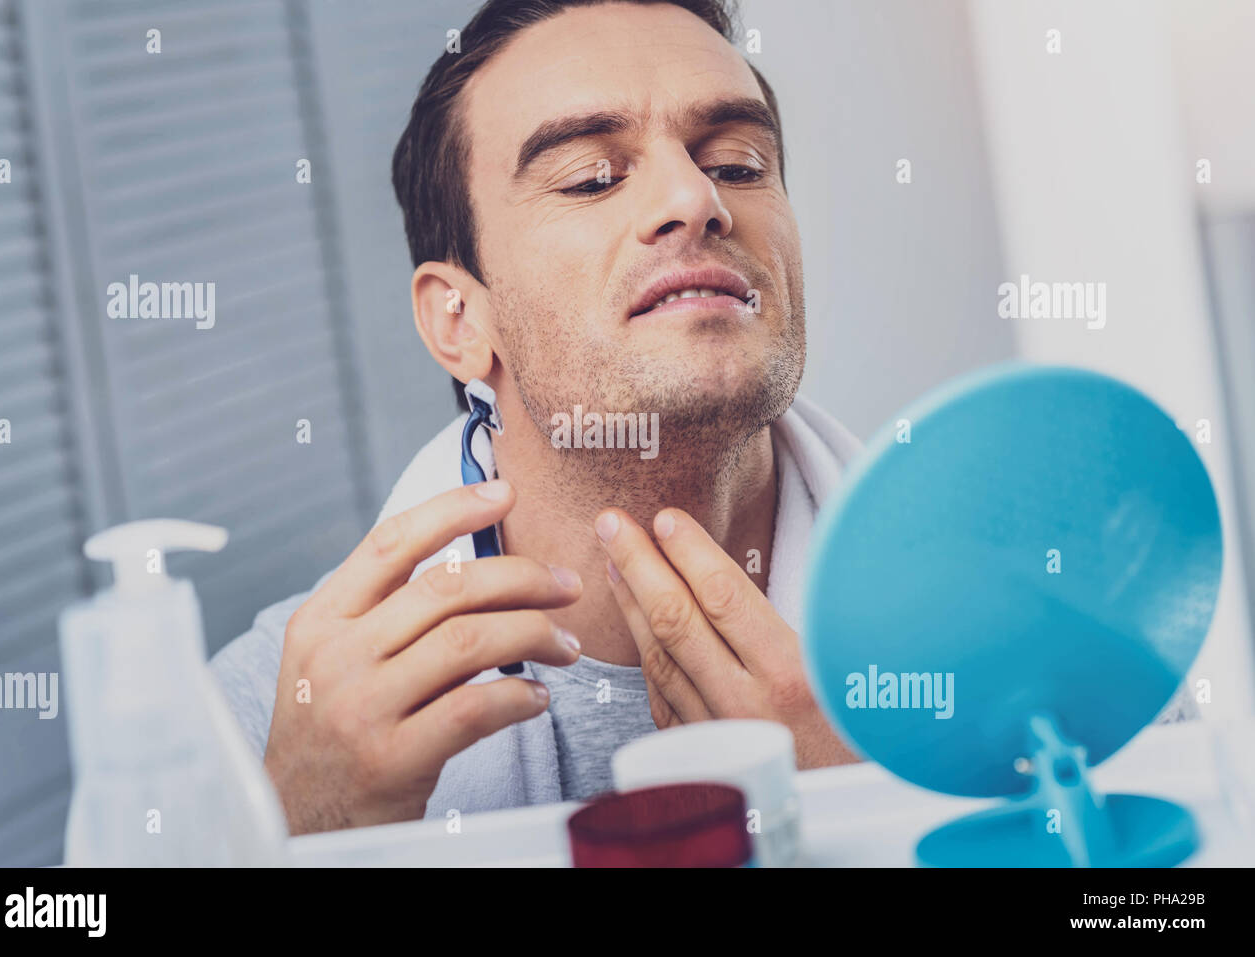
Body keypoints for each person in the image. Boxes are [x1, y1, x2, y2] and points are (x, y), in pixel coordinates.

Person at [211, 0, 866, 836]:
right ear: (459, 319)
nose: (694, 197)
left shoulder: (990, 643)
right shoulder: (261, 722)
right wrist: (301, 834)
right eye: (593, 177)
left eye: (738, 164)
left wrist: (881, 811)